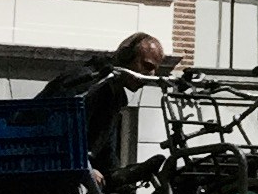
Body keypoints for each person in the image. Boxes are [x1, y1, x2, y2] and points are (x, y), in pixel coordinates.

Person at [35, 30, 177, 176]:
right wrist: (85, 167)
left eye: (155, 69)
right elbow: (59, 131)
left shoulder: (114, 94)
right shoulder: (87, 82)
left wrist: (118, 178)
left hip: (72, 164)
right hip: (43, 162)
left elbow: (105, 148)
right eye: (147, 66)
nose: (151, 74)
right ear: (125, 57)